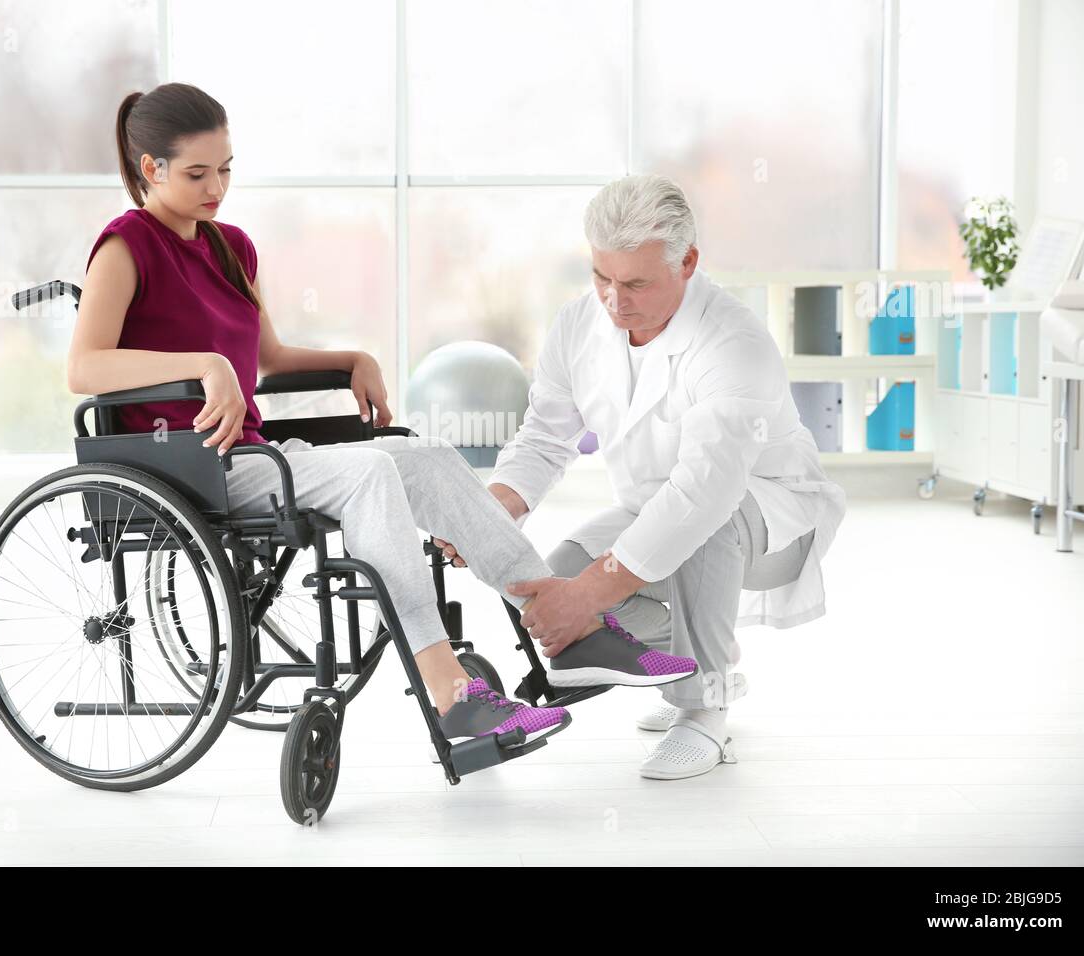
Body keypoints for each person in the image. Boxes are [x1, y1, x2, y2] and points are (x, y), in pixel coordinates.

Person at [67, 84, 697, 743]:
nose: (216, 187)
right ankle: (450, 691)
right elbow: (84, 368)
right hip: (190, 463)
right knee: (370, 474)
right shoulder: (127, 246)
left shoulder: (230, 248)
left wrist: (350, 358)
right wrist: (203, 365)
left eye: (225, 169)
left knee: (425, 455)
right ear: (150, 169)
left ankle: (571, 631)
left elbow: (269, 356)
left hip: (255, 457)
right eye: (197, 174)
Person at [439, 175, 846, 778]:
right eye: (601, 276)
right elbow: (544, 439)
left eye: (635, 282)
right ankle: (697, 654)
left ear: (688, 263)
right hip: (653, 510)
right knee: (549, 583)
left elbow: (703, 497)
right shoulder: (579, 325)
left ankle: (704, 708)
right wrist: (489, 514)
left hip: (766, 522)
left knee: (699, 530)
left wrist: (588, 596)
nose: (614, 300)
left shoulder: (733, 343)